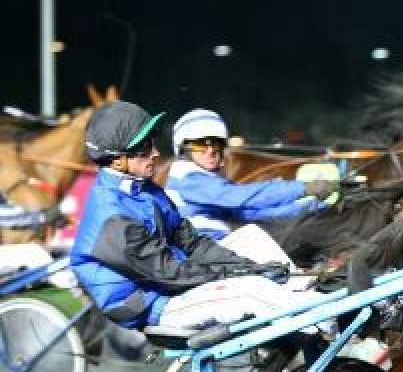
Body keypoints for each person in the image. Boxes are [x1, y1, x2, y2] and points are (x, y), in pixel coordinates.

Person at [69, 100, 328, 331]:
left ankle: (311, 301)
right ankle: (334, 327)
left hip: (169, 283)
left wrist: (250, 266)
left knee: (260, 270)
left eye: (153, 144)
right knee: (252, 292)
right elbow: (169, 274)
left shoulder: (146, 190)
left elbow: (193, 243)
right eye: (144, 149)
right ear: (116, 160)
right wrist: (240, 273)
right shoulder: (112, 217)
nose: (156, 154)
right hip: (150, 305)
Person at [165, 108, 336, 242]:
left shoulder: (207, 182)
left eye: (216, 143)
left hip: (217, 247)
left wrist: (314, 206)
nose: (210, 151)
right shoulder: (188, 180)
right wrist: (303, 187)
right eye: (200, 145)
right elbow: (241, 197)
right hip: (200, 254)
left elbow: (252, 213)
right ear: (183, 149)